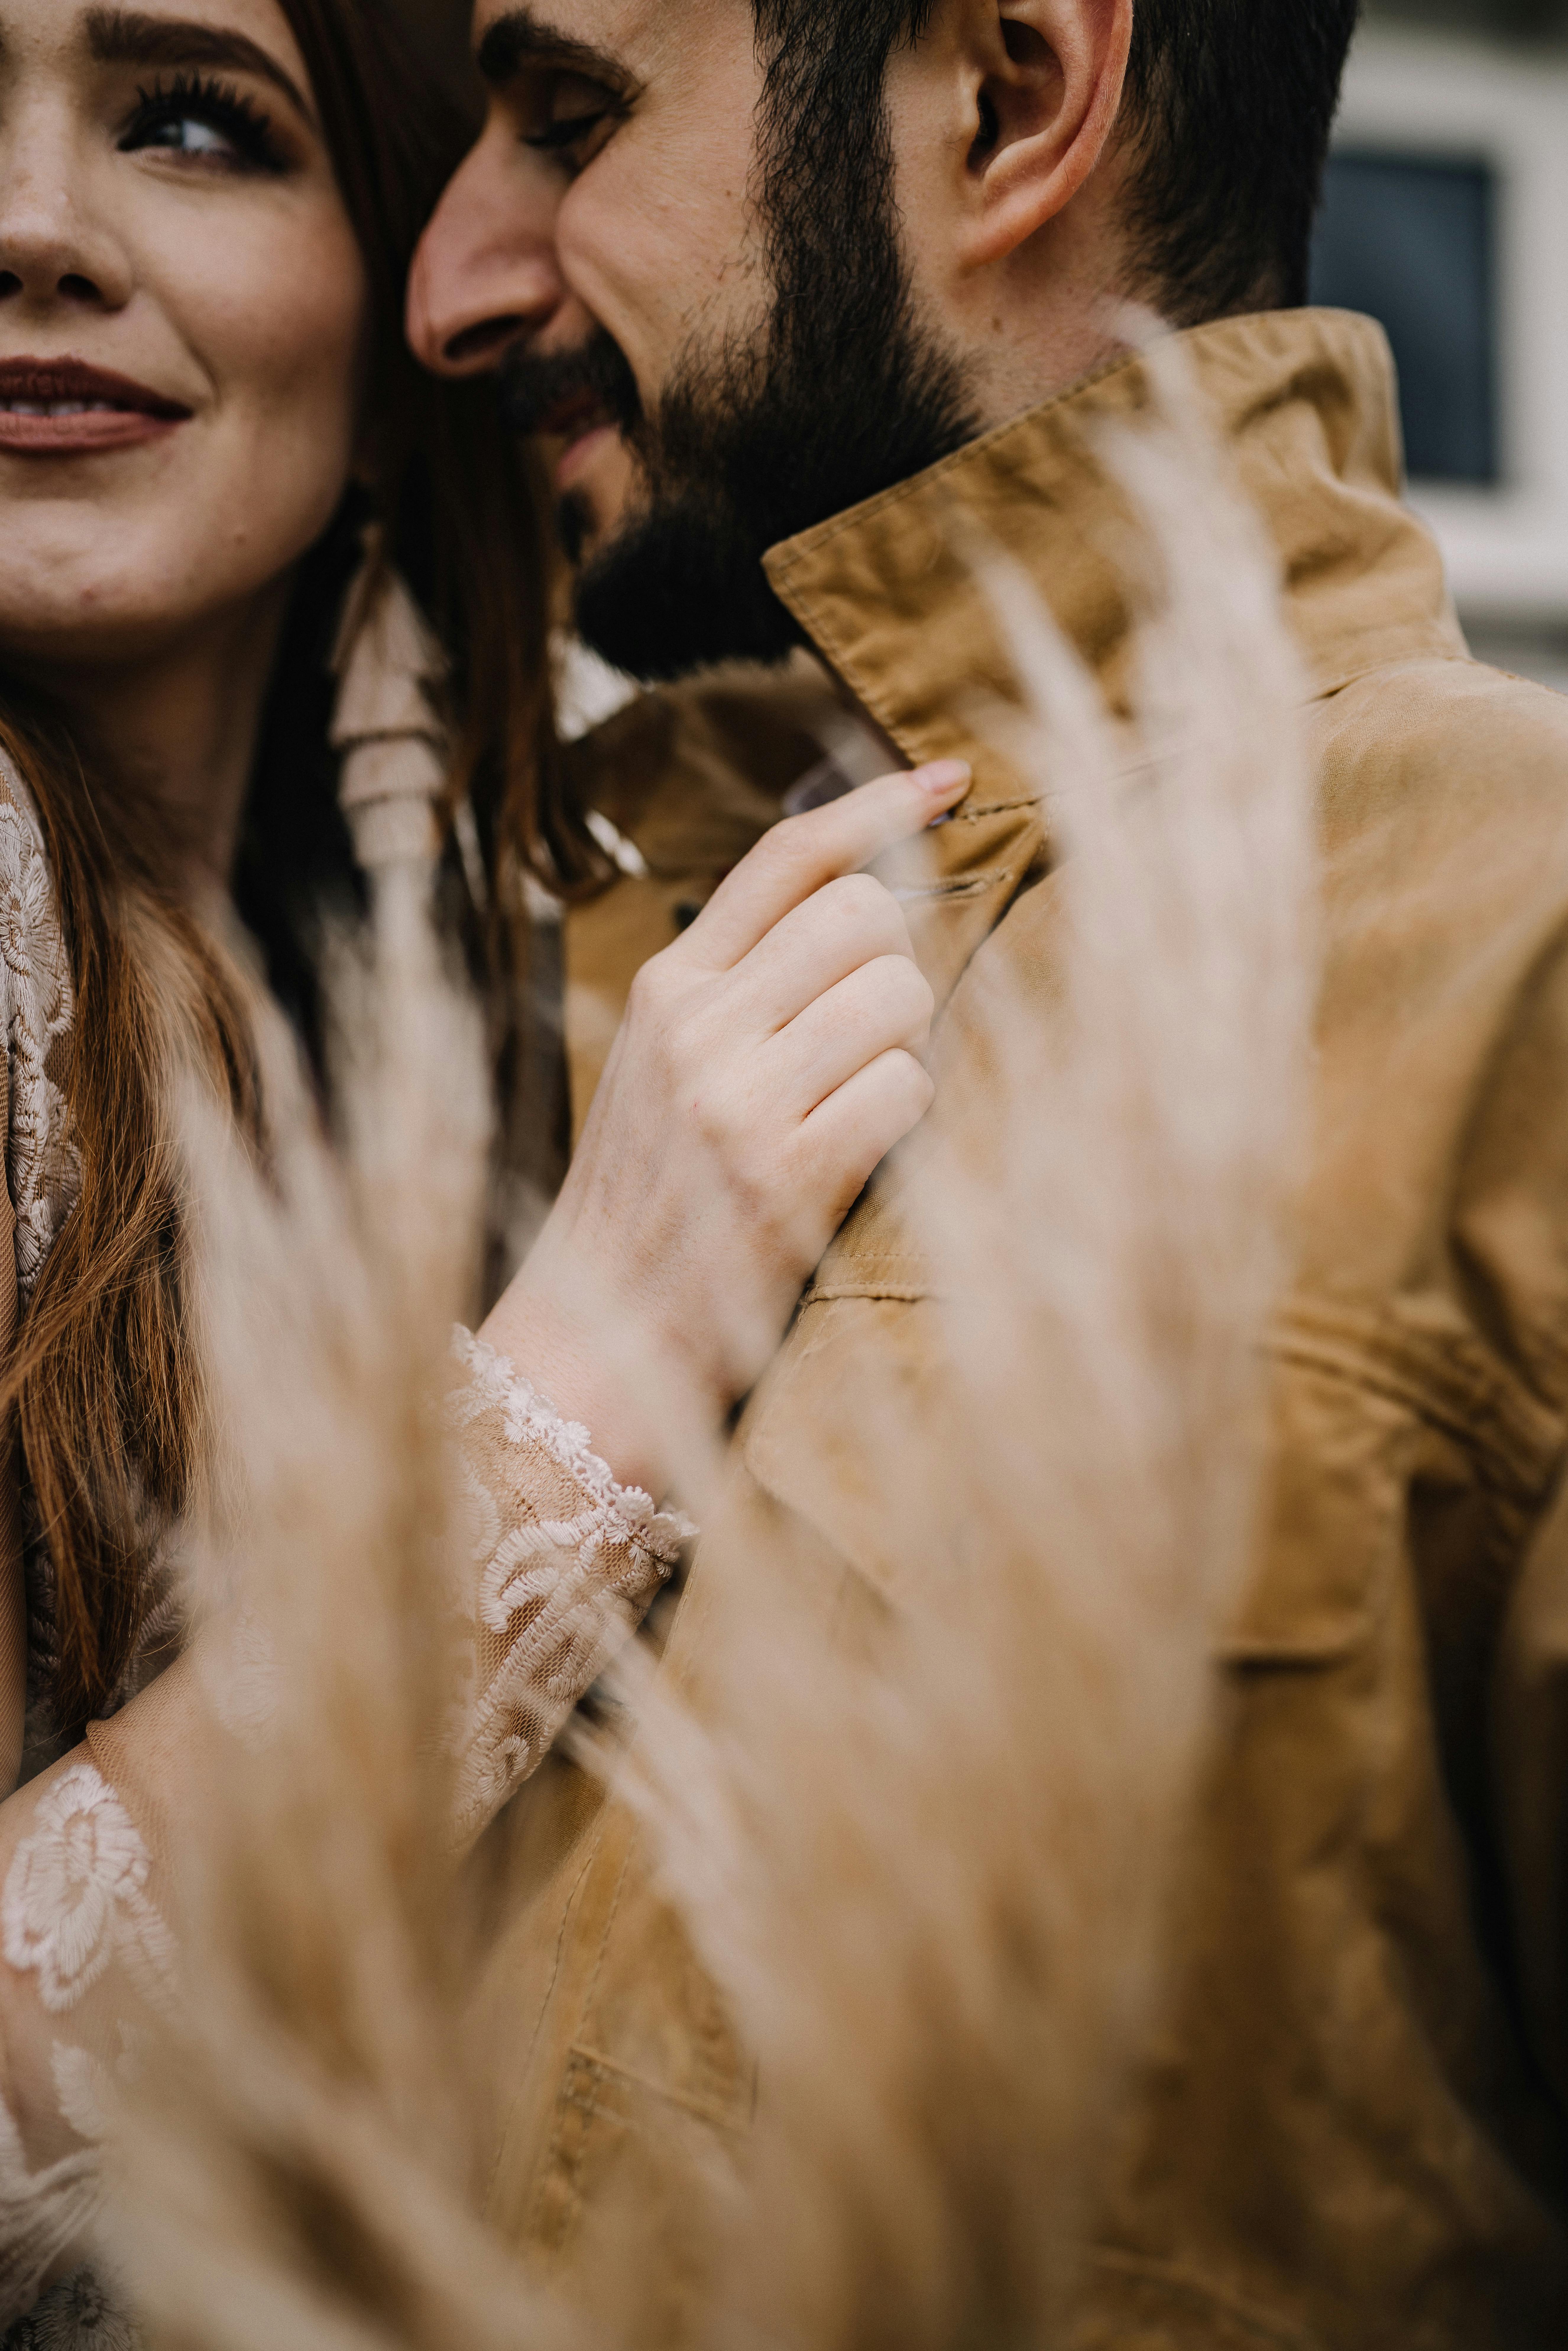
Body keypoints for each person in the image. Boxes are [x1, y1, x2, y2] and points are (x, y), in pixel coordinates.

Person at [407, 1, 1568, 2343]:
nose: (451, 287)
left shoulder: (1518, 968)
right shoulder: (516, 975)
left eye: (568, 117)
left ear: (1008, 97)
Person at [0, 0, 966, 2330]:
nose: (27, 230)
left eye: (193, 126)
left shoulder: (450, 977)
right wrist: (582, 1391)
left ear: (410, 289)